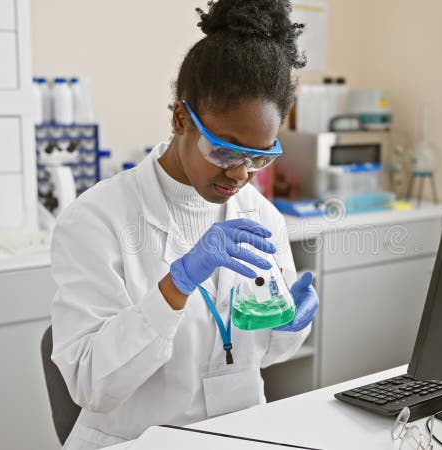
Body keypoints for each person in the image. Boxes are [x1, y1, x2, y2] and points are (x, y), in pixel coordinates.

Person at [49, 1, 319, 449]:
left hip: (240, 434)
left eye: (259, 157)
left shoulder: (260, 215)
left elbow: (265, 353)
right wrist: (175, 287)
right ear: (181, 120)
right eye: (226, 151)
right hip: (134, 441)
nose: (240, 173)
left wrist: (289, 321)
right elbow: (90, 384)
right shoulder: (95, 220)